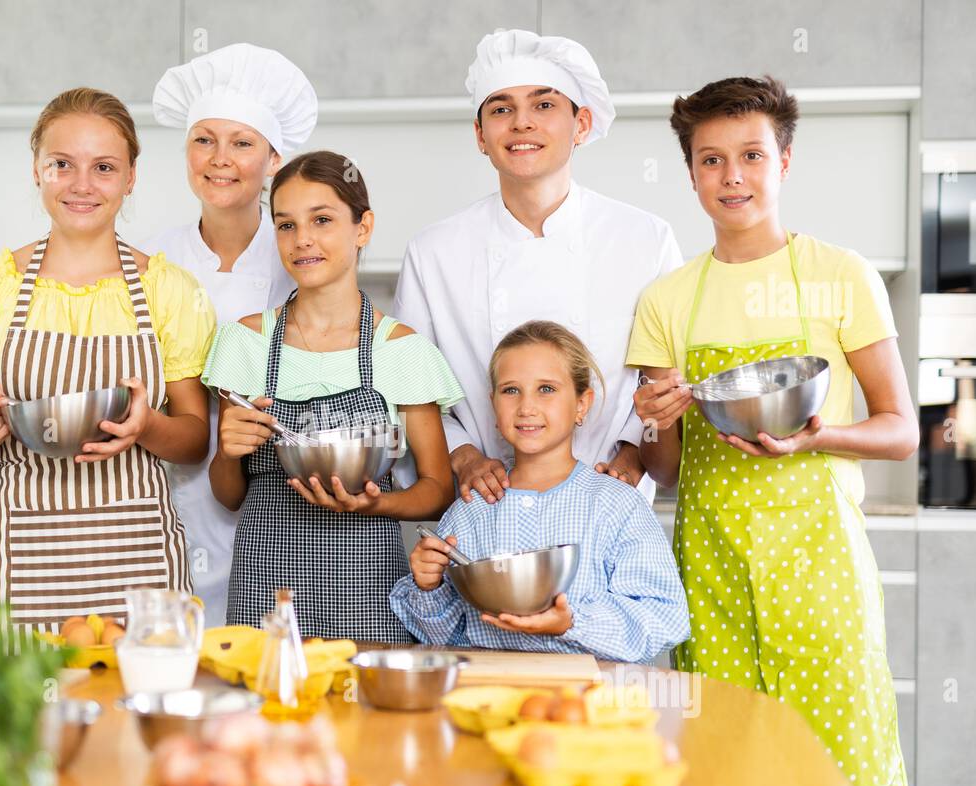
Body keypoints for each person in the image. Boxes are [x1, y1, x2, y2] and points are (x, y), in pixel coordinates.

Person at [626, 76, 917, 786]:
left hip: (821, 568)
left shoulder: (839, 276)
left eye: (751, 155)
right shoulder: (666, 299)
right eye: (712, 160)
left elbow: (900, 428)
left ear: (784, 160)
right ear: (690, 173)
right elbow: (668, 472)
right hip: (713, 570)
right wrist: (656, 421)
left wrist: (821, 437)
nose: (732, 177)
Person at [0, 88, 215, 640]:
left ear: (131, 176)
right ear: (37, 170)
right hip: (23, 553)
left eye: (104, 167)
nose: (82, 185)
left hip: (138, 558)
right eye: (62, 165)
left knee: (139, 718)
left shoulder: (169, 290)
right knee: (20, 723)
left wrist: (148, 425)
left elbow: (194, 440)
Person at [392, 28, 682, 506]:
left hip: (609, 500)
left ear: (581, 124)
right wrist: (462, 456)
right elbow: (411, 392)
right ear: (480, 136)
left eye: (544, 105)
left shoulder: (646, 240)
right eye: (501, 108)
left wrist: (633, 451)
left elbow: (665, 383)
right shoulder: (434, 251)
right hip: (486, 508)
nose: (521, 123)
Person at [202, 151, 462, 641]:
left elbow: (438, 490)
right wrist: (229, 454)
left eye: (322, 220)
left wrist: (374, 506)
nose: (302, 240)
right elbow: (229, 494)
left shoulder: (401, 350)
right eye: (285, 225)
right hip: (265, 588)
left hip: (368, 591)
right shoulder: (245, 343)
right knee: (267, 709)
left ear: (362, 227)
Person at [141, 43, 318, 626]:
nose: (220, 159)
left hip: (277, 497)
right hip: (162, 492)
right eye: (203, 139)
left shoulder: (303, 253)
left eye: (242, 142)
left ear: (273, 159)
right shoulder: (149, 261)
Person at [391, 321, 687, 658]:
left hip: (591, 701)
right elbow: (442, 639)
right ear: (493, 405)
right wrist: (427, 587)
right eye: (511, 390)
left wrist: (572, 623)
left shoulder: (617, 504)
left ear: (582, 404)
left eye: (546, 388)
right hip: (488, 699)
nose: (526, 407)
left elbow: (665, 618)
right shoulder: (469, 510)